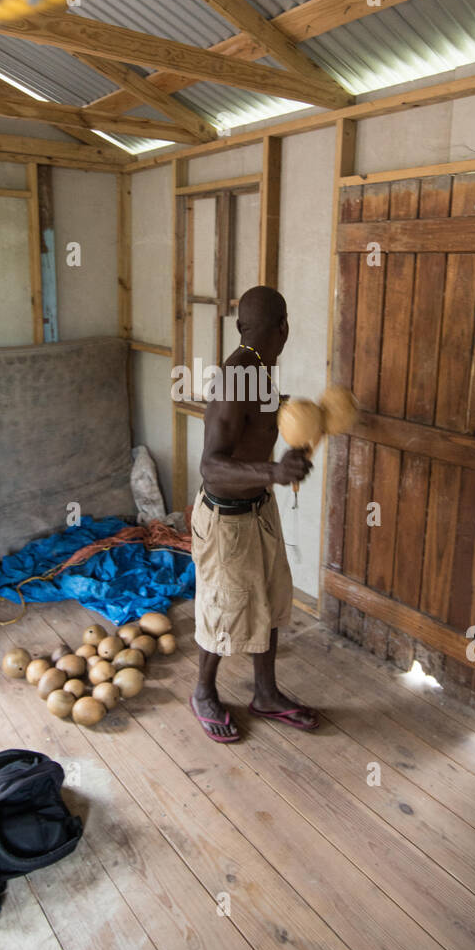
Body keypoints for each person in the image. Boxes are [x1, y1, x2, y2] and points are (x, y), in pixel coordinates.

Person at [189, 285, 319, 741]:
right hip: (226, 519)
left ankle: (265, 693)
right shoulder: (237, 376)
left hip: (258, 508)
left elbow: (260, 426)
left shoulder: (261, 368)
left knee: (270, 599)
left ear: (243, 327)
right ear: (283, 328)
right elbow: (211, 466)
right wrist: (274, 470)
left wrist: (304, 422)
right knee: (224, 610)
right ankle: (203, 692)